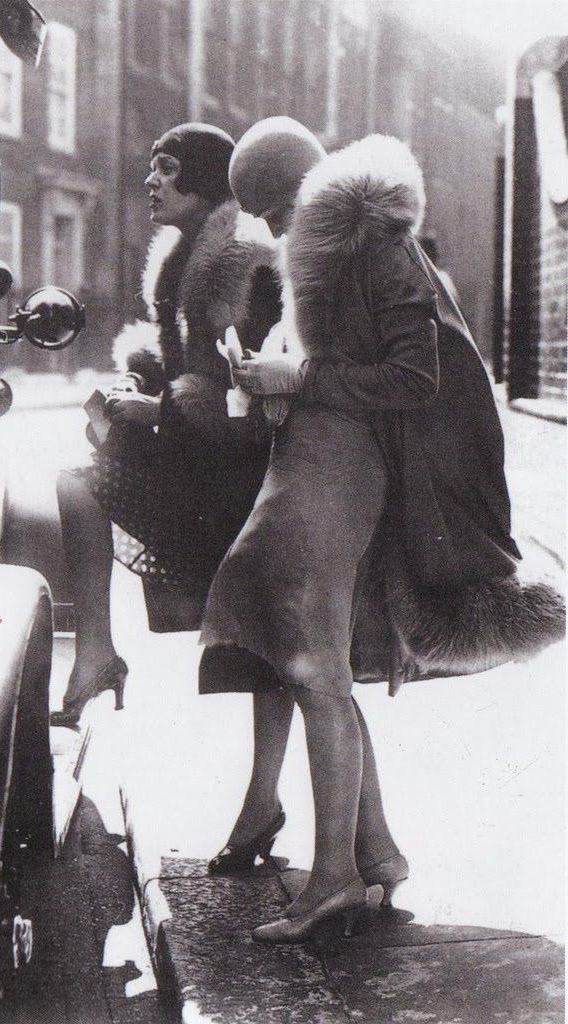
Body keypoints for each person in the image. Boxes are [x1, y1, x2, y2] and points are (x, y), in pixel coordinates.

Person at [199, 120, 565, 942]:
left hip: (350, 479)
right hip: (341, 467)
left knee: (309, 660)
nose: (267, 233)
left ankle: (333, 879)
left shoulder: (370, 244)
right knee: (314, 656)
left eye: (269, 211)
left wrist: (297, 374)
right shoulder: (349, 249)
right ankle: (375, 851)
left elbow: (414, 376)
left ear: (296, 194)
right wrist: (278, 374)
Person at [50, 122, 281, 728]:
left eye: (169, 168)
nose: (151, 179)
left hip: (241, 486)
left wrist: (163, 410)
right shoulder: (182, 260)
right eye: (153, 165)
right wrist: (138, 385)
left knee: (278, 660)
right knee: (78, 483)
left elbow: (264, 400)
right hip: (198, 466)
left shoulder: (246, 264)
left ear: (204, 181)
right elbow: (180, 364)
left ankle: (97, 655)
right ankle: (96, 652)